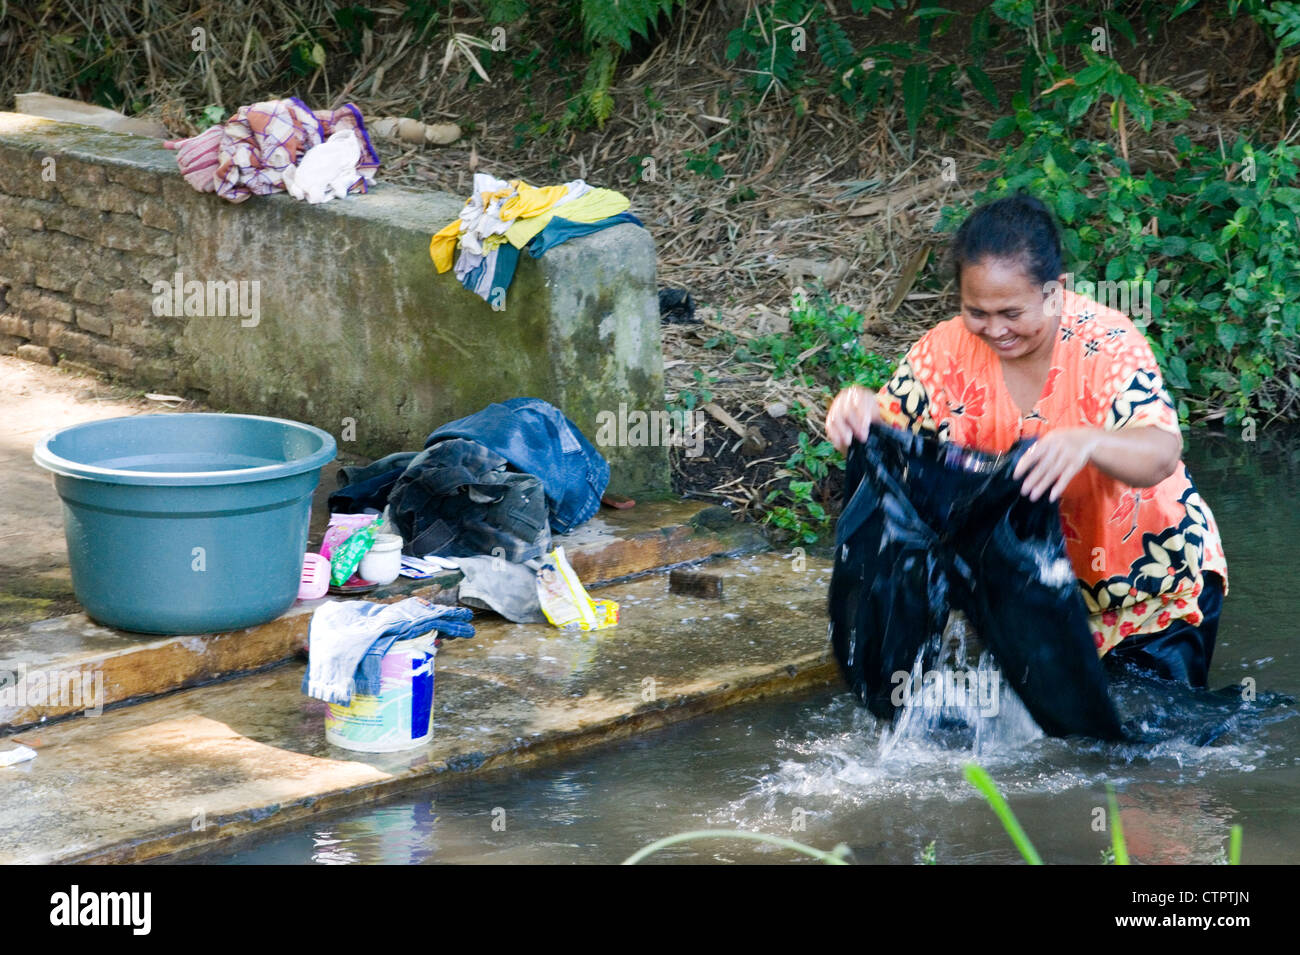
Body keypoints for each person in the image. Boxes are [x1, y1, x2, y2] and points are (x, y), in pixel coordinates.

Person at [825, 193, 1228, 688]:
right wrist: (858, 411)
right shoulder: (943, 354)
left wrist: (1088, 443)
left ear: (1055, 292)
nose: (995, 330)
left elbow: (1161, 454)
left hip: (1151, 592)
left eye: (1011, 312)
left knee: (1142, 749)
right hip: (1035, 595)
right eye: (978, 311)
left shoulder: (1105, 345)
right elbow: (887, 444)